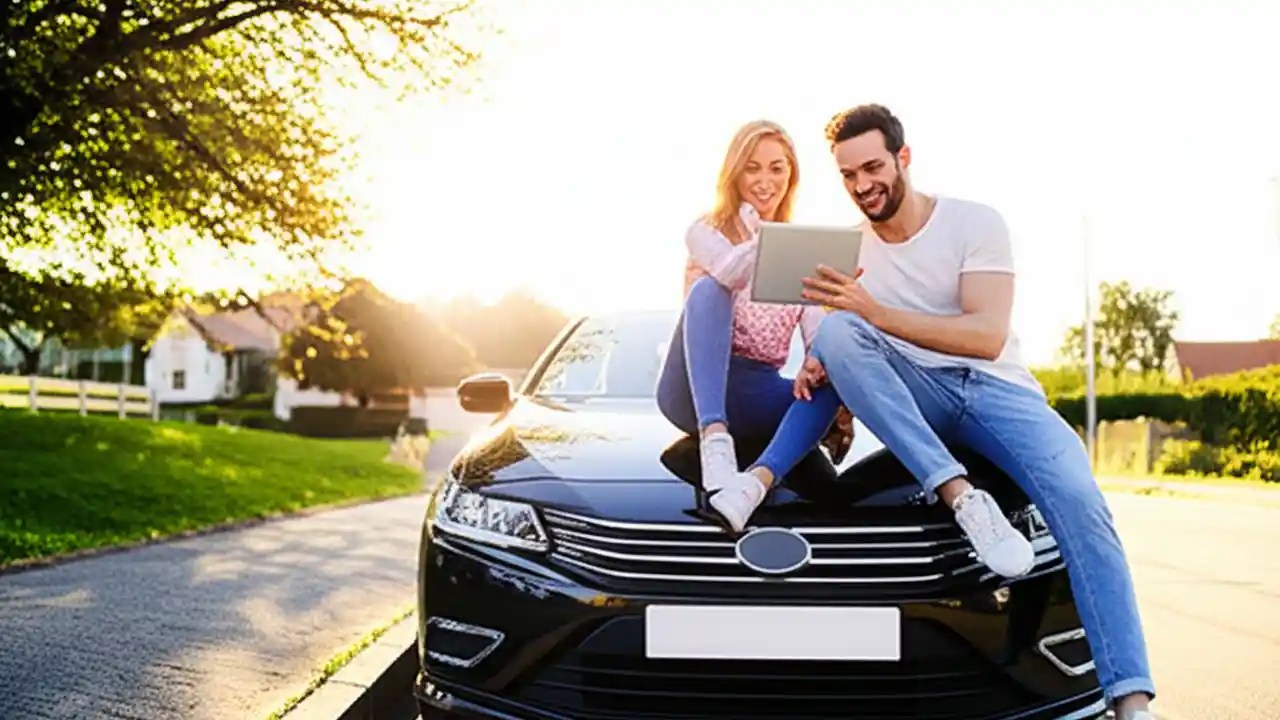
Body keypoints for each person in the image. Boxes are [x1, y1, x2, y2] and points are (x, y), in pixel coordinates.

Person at [715, 104, 1156, 720]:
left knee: (1082, 502)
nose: (862, 184)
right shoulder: (846, 250)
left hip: (998, 394)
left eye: (873, 167)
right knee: (835, 337)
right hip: (916, 400)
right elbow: (847, 340)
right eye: (848, 175)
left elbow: (986, 335)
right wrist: (821, 360)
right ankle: (960, 496)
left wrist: (873, 313)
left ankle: (1130, 699)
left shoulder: (974, 222)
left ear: (903, 157)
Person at [655, 119, 851, 528]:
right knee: (709, 290)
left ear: (791, 176)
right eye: (752, 168)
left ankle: (754, 485)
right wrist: (762, 237)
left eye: (777, 168)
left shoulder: (801, 251)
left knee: (836, 371)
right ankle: (715, 438)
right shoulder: (704, 231)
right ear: (734, 173)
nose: (765, 181)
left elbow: (817, 330)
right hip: (693, 389)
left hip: (756, 392)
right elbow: (729, 274)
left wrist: (817, 361)